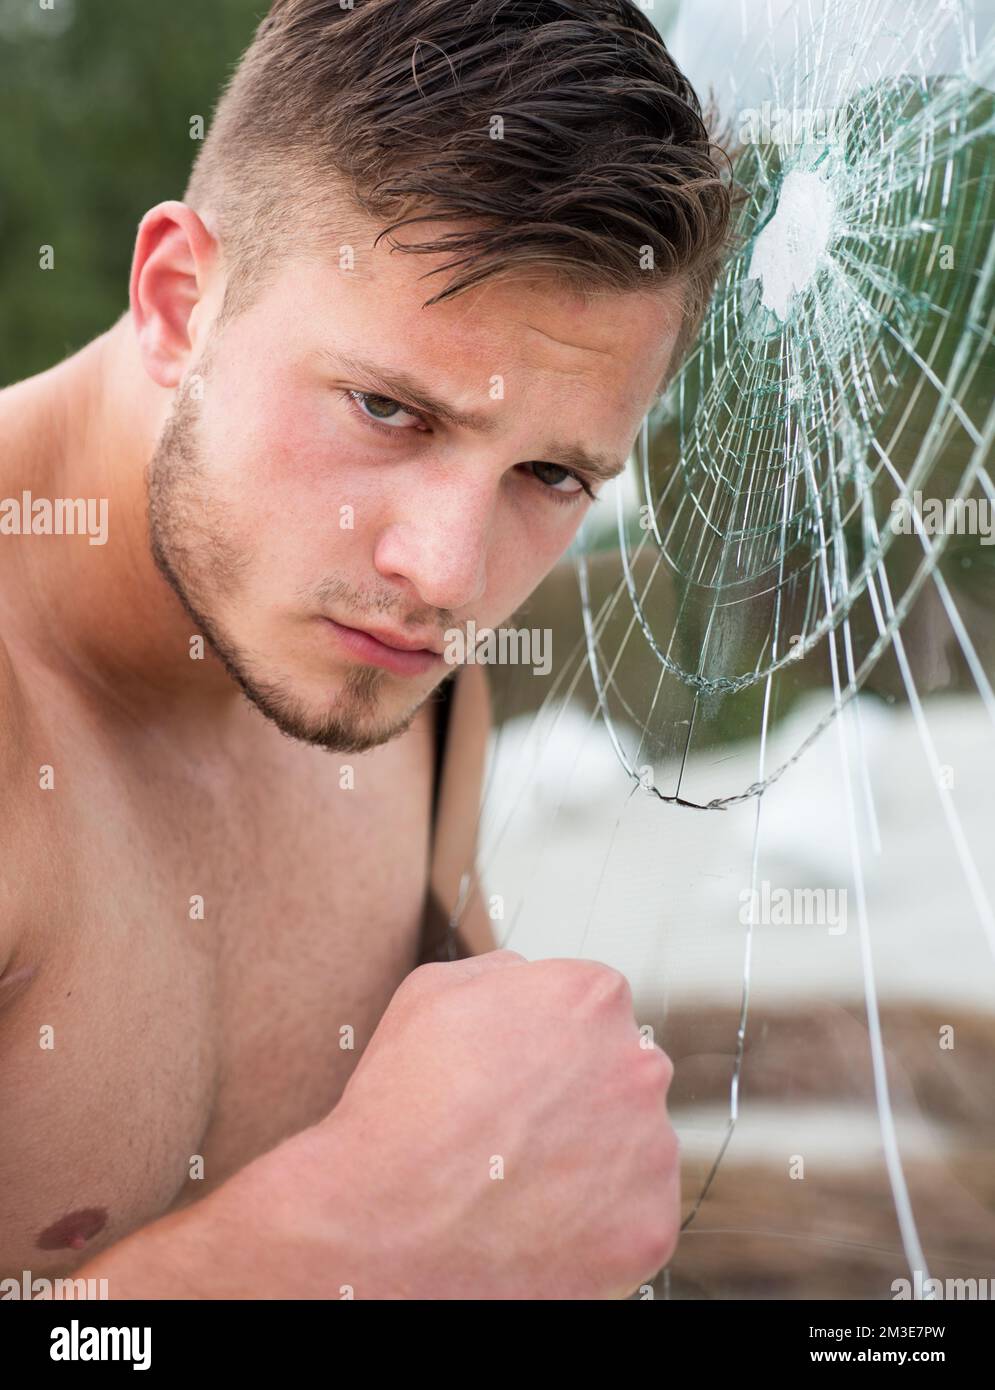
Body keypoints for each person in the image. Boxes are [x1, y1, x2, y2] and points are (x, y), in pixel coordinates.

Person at [0, 0, 730, 1299]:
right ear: (179, 303)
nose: (445, 577)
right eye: (388, 408)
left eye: (552, 474)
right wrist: (328, 1239)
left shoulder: (406, 692)